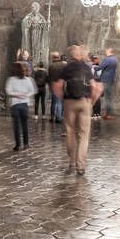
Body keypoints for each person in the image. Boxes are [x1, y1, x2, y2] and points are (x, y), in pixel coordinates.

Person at [52, 45, 103, 175]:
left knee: (70, 132)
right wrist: (92, 101)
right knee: (83, 135)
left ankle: (71, 162)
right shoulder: (86, 67)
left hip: (69, 101)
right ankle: (80, 166)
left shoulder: (66, 68)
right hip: (84, 102)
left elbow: (57, 85)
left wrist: (63, 98)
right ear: (80, 55)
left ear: (71, 56)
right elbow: (95, 87)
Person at [5, 62, 37, 151]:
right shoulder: (28, 80)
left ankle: (18, 145)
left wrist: (17, 94)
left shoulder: (11, 80)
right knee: (24, 125)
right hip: (24, 105)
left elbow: (8, 91)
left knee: (16, 126)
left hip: (15, 105)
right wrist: (25, 94)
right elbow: (33, 90)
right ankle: (26, 144)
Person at [95, 47, 119, 119]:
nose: (106, 52)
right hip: (111, 79)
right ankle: (109, 113)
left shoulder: (108, 59)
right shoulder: (115, 59)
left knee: (107, 98)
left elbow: (100, 67)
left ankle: (109, 114)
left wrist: (93, 66)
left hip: (105, 79)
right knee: (109, 97)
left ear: (110, 51)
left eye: (107, 51)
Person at [48, 52, 66, 124]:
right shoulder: (64, 65)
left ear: (53, 58)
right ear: (59, 57)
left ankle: (52, 117)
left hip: (53, 86)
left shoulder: (51, 66)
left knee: (53, 102)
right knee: (60, 102)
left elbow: (49, 77)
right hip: (62, 86)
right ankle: (59, 117)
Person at [89, 53, 103, 119]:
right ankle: (97, 113)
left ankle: (96, 113)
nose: (95, 61)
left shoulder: (92, 68)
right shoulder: (99, 68)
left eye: (96, 59)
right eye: (94, 59)